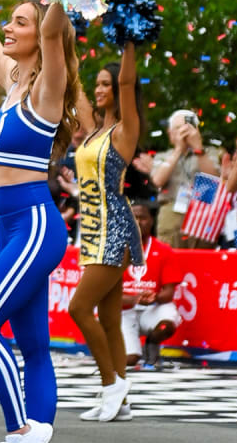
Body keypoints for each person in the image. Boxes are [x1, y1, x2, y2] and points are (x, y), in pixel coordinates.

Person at [0, 0, 79, 443]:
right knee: (33, 345)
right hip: (11, 227)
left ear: (41, 35)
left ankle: (23, 432)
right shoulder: (12, 81)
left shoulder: (50, 85)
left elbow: (53, 31)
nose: (8, 28)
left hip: (34, 225)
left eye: (19, 23)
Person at [68, 51, 144, 422]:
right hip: (92, 229)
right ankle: (121, 401)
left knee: (78, 309)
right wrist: (63, 45)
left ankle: (111, 384)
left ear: (116, 89)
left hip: (114, 229)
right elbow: (75, 87)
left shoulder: (124, 130)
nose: (98, 89)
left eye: (104, 84)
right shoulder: (94, 130)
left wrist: (130, 41)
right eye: (96, 83)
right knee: (110, 320)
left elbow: (128, 82)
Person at [120, 201, 181, 370]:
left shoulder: (164, 250)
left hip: (152, 307)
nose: (138, 222)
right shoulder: (115, 251)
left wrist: (153, 297)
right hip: (124, 312)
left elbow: (169, 293)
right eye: (134, 218)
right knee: (130, 360)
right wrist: (135, 299)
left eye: (143, 218)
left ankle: (152, 343)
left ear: (152, 220)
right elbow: (109, 296)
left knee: (166, 325)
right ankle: (129, 351)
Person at [149, 109, 218, 248]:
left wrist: (198, 148)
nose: (185, 132)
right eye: (179, 129)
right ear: (170, 134)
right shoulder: (163, 156)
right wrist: (178, 150)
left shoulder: (208, 153)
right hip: (171, 216)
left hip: (201, 218)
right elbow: (157, 181)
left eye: (190, 128)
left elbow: (214, 180)